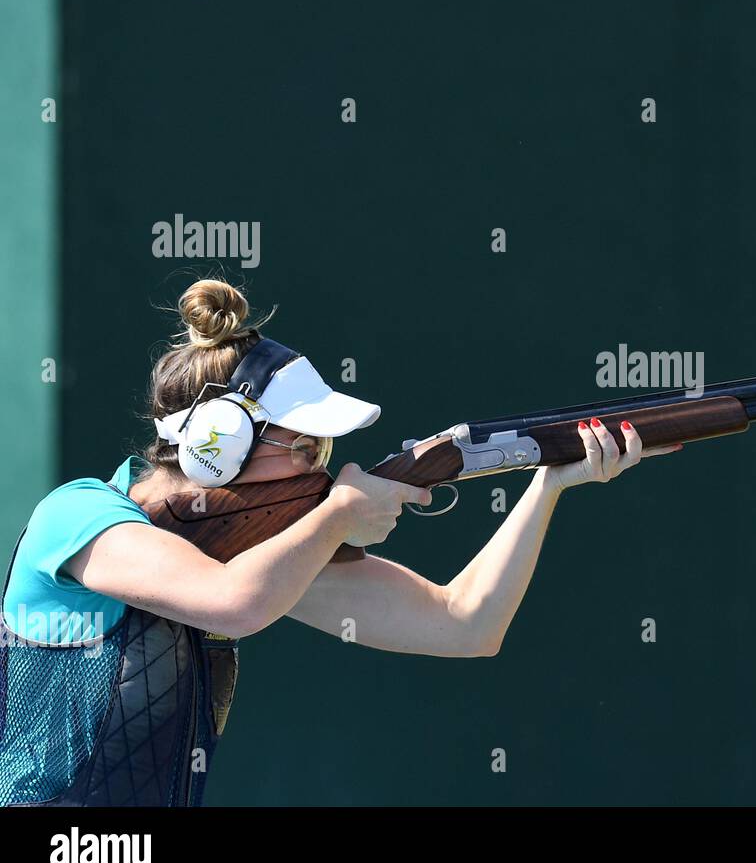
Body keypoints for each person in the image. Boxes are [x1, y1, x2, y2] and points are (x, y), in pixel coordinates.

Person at [0, 278, 678, 806]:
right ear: (217, 445)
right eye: (304, 447)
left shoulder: (254, 555)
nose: (321, 467)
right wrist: (340, 516)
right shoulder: (77, 515)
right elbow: (232, 603)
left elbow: (467, 623)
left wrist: (548, 483)